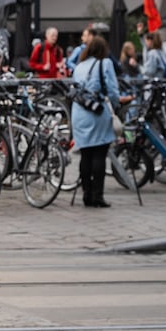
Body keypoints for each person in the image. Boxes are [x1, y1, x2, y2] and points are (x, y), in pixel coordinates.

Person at [70, 36, 123, 208]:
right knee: (100, 153)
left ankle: (86, 194)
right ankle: (97, 196)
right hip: (97, 112)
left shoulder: (79, 66)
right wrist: (114, 106)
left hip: (79, 112)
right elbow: (113, 90)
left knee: (86, 154)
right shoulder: (105, 63)